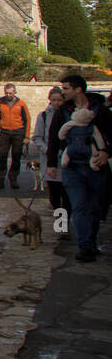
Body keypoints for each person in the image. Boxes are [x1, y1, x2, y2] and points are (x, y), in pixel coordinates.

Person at [48, 74, 112, 262]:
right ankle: (81, 243)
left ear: (78, 89)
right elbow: (53, 138)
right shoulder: (62, 112)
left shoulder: (100, 111)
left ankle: (89, 242)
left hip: (95, 167)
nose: (63, 93)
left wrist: (107, 152)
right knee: (76, 205)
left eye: (66, 88)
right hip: (71, 167)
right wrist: (51, 164)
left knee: (93, 208)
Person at [32, 86, 70, 239]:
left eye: (59, 100)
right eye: (53, 100)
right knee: (55, 197)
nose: (56, 103)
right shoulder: (43, 116)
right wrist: (48, 150)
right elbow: (37, 137)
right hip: (50, 161)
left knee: (67, 197)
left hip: (67, 160)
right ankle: (60, 223)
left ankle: (64, 227)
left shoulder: (68, 114)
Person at [0, 83, 31, 190]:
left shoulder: (21, 104)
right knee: (2, 156)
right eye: (6, 93)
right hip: (4, 133)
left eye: (10, 93)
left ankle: (13, 178)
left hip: (18, 133)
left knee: (16, 157)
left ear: (15, 92)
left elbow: (27, 120)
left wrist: (27, 136)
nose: (8, 95)